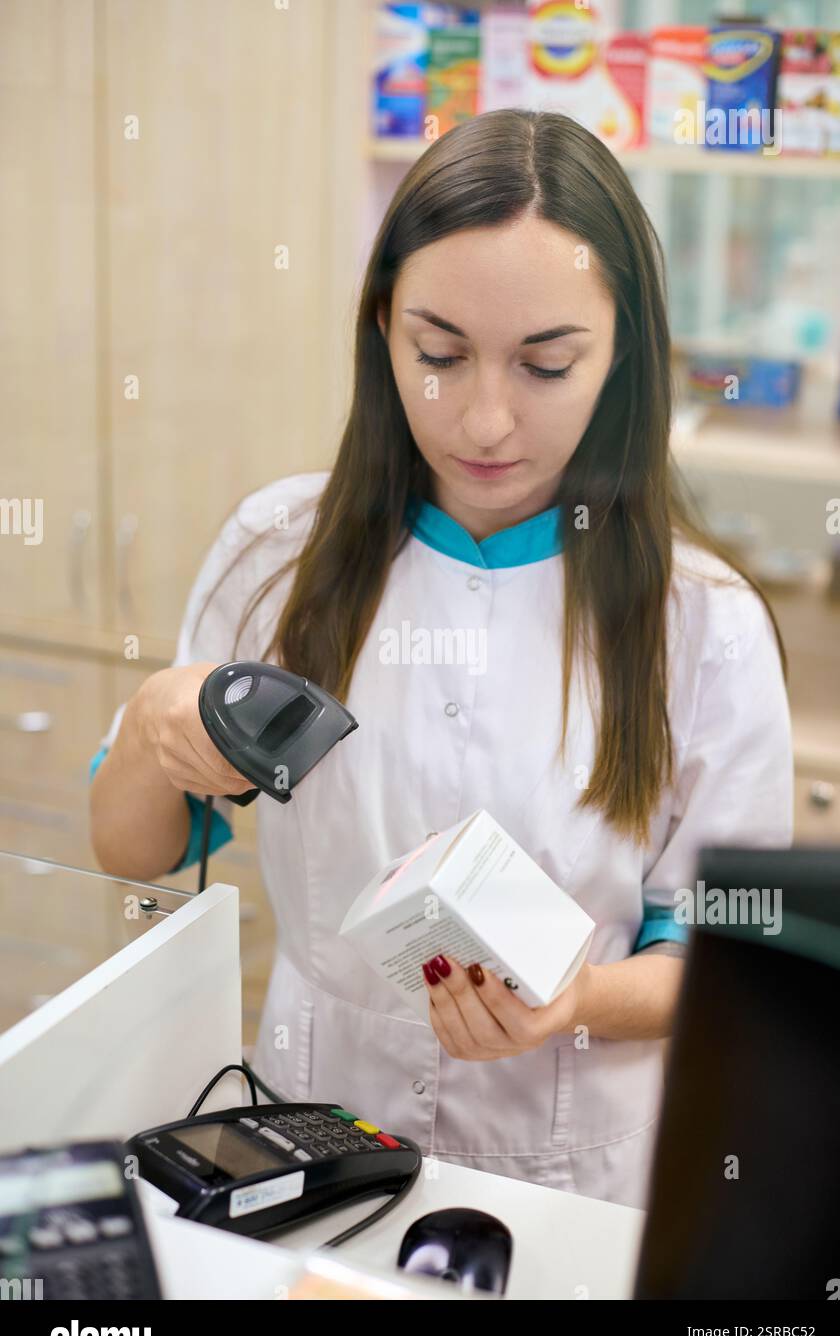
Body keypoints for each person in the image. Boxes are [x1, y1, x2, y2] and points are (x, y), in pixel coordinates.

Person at [89, 110, 793, 1208]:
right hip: (312, 1140)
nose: (484, 418)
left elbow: (724, 952)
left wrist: (576, 999)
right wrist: (148, 724)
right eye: (438, 353)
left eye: (546, 364)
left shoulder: (702, 624)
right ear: (382, 327)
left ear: (623, 356)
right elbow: (137, 846)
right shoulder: (280, 557)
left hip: (570, 1173)